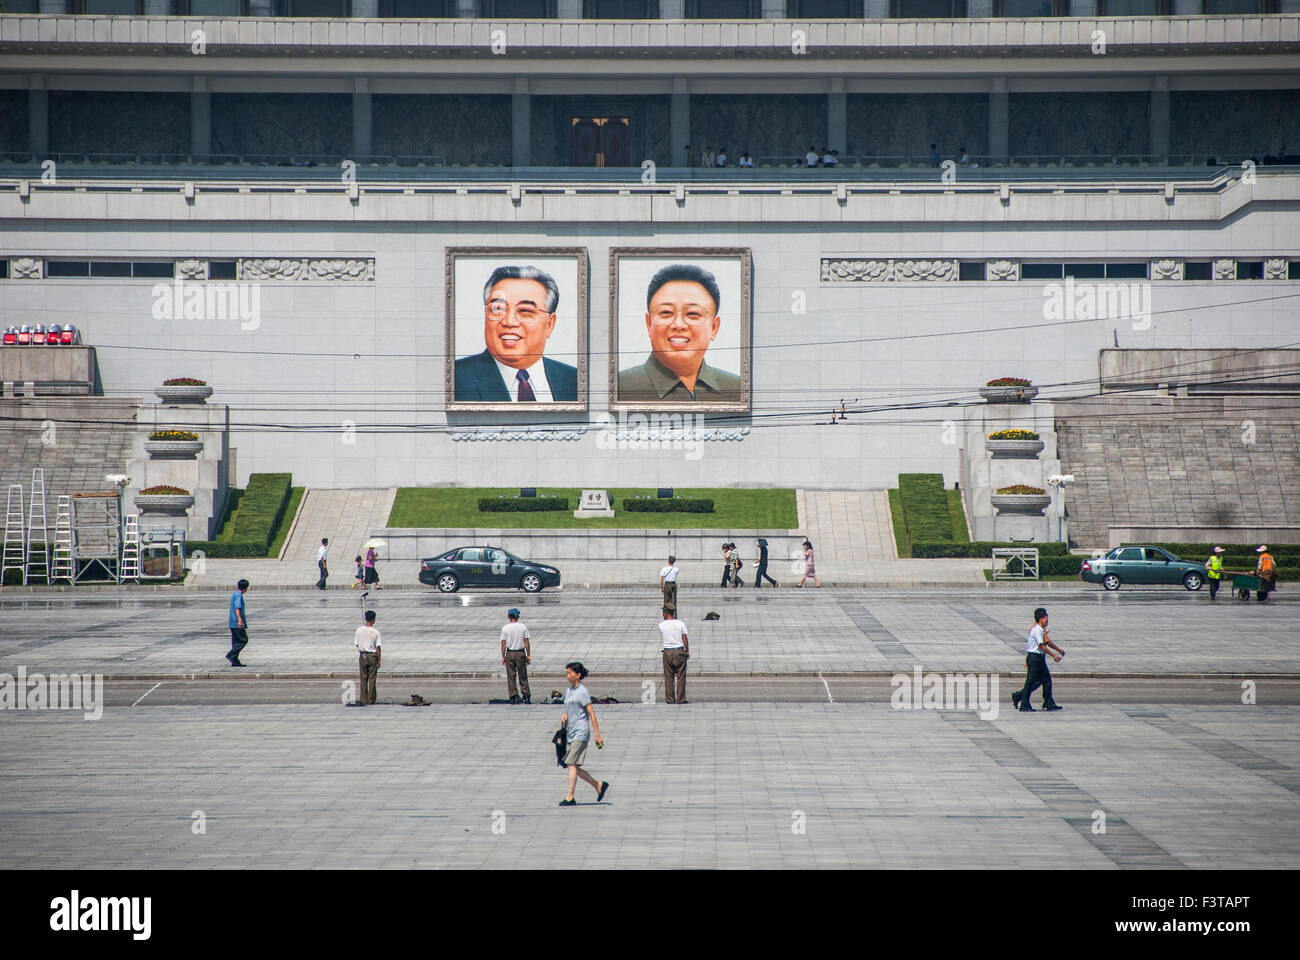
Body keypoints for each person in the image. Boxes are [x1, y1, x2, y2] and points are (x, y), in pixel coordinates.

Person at [616, 263, 743, 403]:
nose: (678, 325)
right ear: (649, 324)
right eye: (666, 313)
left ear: (714, 327)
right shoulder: (619, 388)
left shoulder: (738, 389)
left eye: (693, 314)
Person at [453, 265, 578, 402]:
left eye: (525, 311)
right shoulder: (454, 379)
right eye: (498, 309)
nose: (509, 321)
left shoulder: (576, 381)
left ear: (549, 324)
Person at [558, 662, 609, 806]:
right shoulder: (569, 691)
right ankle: (598, 785)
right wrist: (565, 716)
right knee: (572, 766)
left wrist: (597, 735)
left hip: (581, 732)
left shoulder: (583, 691)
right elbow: (569, 708)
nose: (567, 676)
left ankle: (570, 797)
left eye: (570, 673)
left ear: (578, 675)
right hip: (571, 732)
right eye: (567, 673)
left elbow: (591, 713)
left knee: (571, 764)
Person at [1011, 607, 1064, 712]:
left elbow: (1047, 642)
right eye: (1046, 619)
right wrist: (1053, 655)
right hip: (1034, 658)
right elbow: (1042, 646)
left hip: (1039, 658)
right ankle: (1024, 704)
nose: (1047, 621)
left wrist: (1059, 650)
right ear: (1041, 619)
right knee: (1031, 682)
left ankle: (1048, 703)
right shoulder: (1036, 630)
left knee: (1046, 680)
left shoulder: (1041, 630)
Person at [501, 607, 532, 704]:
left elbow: (503, 643)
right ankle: (526, 694)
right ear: (517, 617)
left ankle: (513, 695)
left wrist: (503, 656)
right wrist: (528, 655)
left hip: (510, 653)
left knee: (511, 675)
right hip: (520, 653)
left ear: (508, 617)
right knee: (523, 675)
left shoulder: (505, 628)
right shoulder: (523, 627)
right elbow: (526, 642)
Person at [658, 609, 690, 704]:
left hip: (667, 651)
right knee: (681, 677)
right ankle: (680, 699)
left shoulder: (661, 625)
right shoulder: (680, 624)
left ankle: (670, 699)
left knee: (668, 677)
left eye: (663, 612)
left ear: (666, 613)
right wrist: (687, 650)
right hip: (679, 651)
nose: (662, 614)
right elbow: (684, 638)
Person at [354, 609, 382, 705]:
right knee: (372, 679)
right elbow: (378, 647)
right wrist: (379, 659)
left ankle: (363, 699)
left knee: (363, 679)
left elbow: (356, 644)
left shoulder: (359, 630)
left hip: (362, 655)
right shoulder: (375, 632)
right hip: (372, 656)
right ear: (373, 619)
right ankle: (371, 700)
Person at [226, 578, 249, 667]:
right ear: (245, 588)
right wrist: (239, 620)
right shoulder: (238, 595)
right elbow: (237, 608)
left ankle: (235, 661)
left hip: (233, 622)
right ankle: (231, 655)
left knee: (236, 642)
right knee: (243, 640)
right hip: (236, 623)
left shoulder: (235, 594)